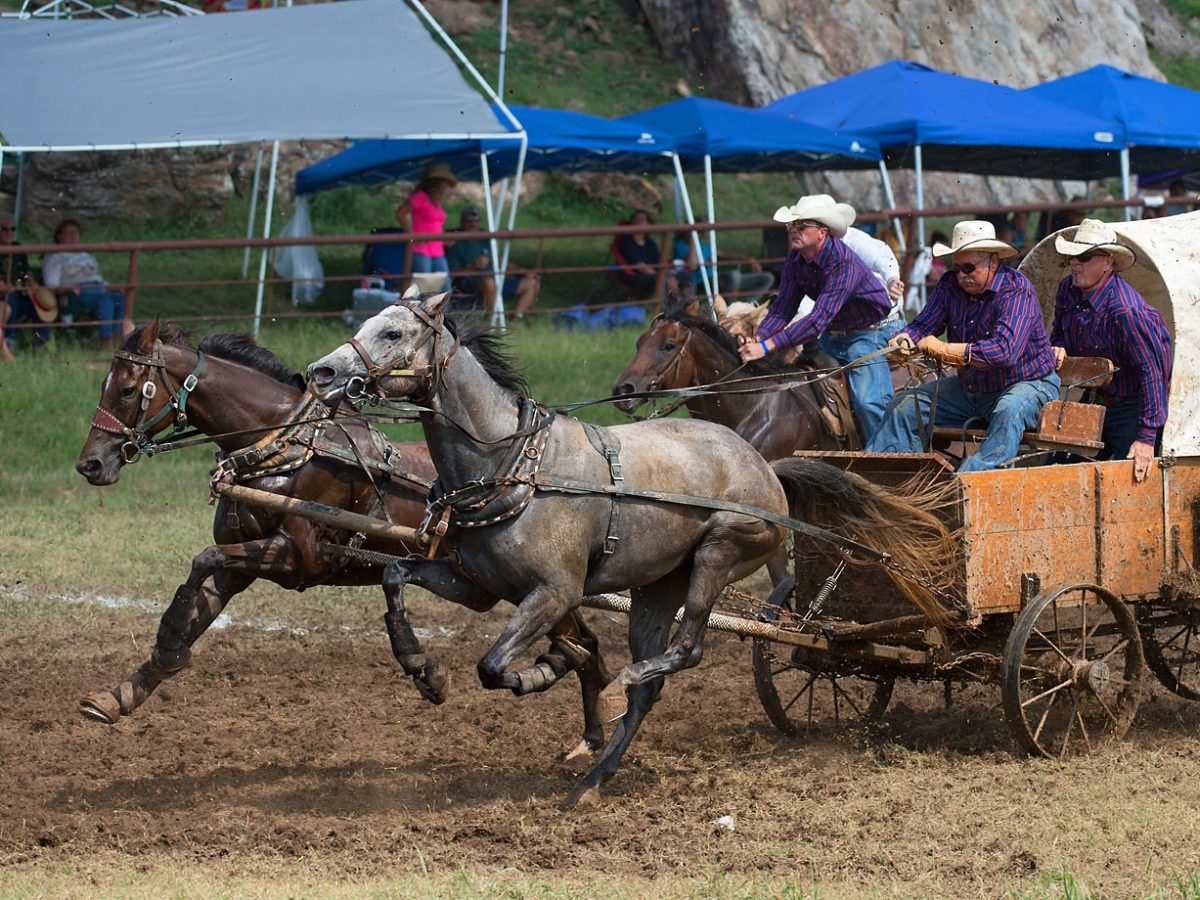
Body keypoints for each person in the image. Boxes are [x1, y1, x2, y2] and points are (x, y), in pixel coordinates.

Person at [867, 220, 1060, 472]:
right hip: (973, 388)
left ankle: (967, 484)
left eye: (969, 268)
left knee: (1009, 409)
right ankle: (888, 479)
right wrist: (905, 339)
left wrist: (945, 349)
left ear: (993, 262)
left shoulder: (1016, 290)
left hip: (1028, 384)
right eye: (956, 267)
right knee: (904, 405)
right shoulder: (949, 285)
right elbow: (924, 325)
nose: (961, 275)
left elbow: (1004, 352)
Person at [741, 194, 894, 440]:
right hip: (832, 335)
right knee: (790, 379)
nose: (794, 230)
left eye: (802, 225)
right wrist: (759, 337)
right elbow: (784, 306)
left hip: (868, 334)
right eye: (792, 225)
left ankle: (891, 453)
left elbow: (816, 320)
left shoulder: (843, 263)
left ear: (822, 232)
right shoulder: (796, 258)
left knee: (868, 402)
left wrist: (767, 345)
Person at [1050, 219, 1172, 482]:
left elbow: (1151, 373)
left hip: (1133, 406)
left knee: (1129, 479)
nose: (1074, 262)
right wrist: (1058, 345)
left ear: (1108, 263)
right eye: (1072, 256)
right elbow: (1059, 329)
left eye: (1084, 256)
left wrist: (1146, 438)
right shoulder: (1068, 290)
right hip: (1097, 400)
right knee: (1057, 467)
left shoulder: (1126, 312)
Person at [39, 218, 133, 348]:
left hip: (98, 288)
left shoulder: (87, 255)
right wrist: (68, 289)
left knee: (120, 298)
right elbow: (52, 284)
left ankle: (118, 338)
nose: (72, 236)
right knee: (105, 299)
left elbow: (98, 278)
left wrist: (112, 287)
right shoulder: (55, 257)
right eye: (67, 233)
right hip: (75, 293)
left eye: (75, 233)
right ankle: (106, 341)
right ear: (59, 236)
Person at [445, 206, 540, 320]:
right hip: (471, 286)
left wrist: (523, 272)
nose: (472, 225)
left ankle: (516, 317)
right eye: (468, 221)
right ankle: (495, 319)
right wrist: (473, 267)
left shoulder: (485, 238)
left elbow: (497, 259)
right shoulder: (455, 244)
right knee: (488, 281)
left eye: (475, 221)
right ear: (462, 223)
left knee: (532, 282)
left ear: (479, 223)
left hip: (495, 280)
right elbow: (451, 274)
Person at [395, 163, 456, 291]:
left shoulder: (437, 202)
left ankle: (443, 311)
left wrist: (444, 239)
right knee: (423, 288)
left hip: (438, 250)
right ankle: (423, 311)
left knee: (445, 287)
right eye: (444, 182)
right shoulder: (420, 197)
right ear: (436, 183)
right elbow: (400, 213)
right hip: (421, 249)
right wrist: (414, 235)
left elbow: (436, 226)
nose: (446, 187)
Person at [671, 231, 774, 305]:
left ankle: (744, 305)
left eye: (700, 231)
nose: (699, 234)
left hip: (719, 280)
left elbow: (724, 254)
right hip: (704, 283)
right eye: (696, 231)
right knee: (734, 275)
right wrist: (693, 241)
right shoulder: (681, 246)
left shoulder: (706, 246)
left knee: (767, 278)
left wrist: (749, 259)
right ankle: (732, 306)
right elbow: (691, 264)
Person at [612, 209, 667, 301]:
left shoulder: (650, 243)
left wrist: (668, 274)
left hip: (653, 275)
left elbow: (659, 262)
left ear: (648, 225)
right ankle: (663, 306)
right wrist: (662, 276)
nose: (639, 223)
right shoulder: (627, 242)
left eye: (642, 220)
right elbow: (640, 266)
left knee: (683, 277)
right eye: (637, 220)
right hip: (635, 277)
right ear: (631, 224)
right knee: (660, 280)